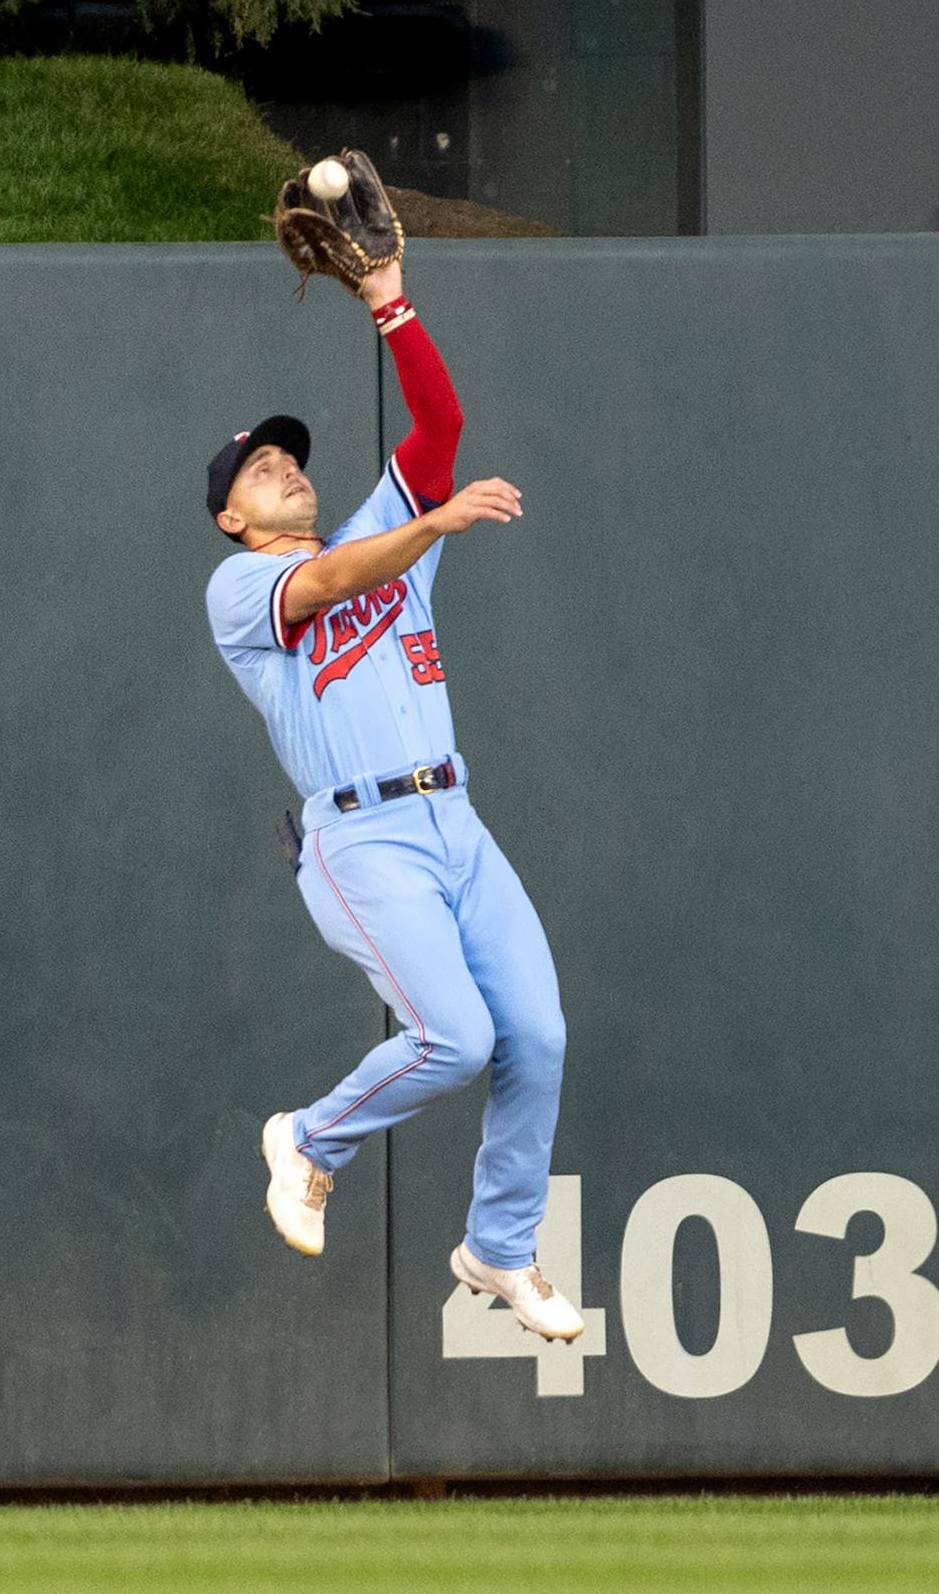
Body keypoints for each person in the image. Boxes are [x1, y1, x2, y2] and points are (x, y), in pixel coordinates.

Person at [200, 259, 583, 1341]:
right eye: (255, 469)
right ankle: (309, 1142)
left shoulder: (381, 535)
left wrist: (387, 296)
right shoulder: (240, 590)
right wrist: (431, 527)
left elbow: (440, 417)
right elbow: (327, 583)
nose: (278, 466)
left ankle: (499, 1247)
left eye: (285, 455)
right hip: (360, 837)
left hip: (455, 823)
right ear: (231, 519)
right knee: (454, 1038)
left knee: (537, 1038)